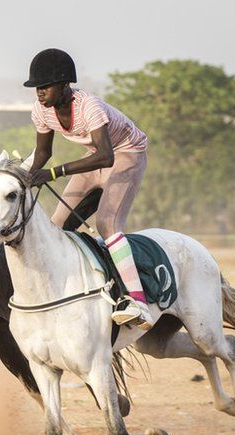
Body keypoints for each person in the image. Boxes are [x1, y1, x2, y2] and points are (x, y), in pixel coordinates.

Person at [23, 48, 152, 329]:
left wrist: (55, 173)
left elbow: (107, 157)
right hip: (95, 155)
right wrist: (23, 177)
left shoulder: (88, 106)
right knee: (55, 226)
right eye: (36, 87)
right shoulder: (41, 111)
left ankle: (138, 302)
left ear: (64, 84)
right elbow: (42, 153)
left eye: (45, 86)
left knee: (107, 224)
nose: (39, 93)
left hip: (126, 153)